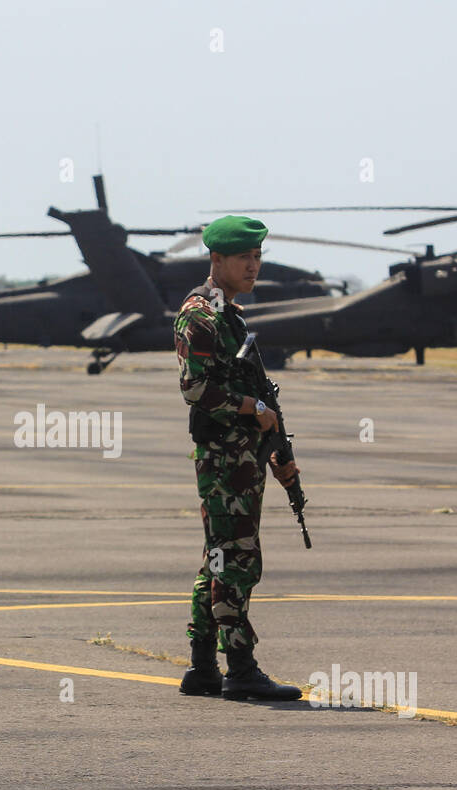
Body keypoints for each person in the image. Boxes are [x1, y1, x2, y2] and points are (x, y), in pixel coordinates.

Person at [173, 215, 303, 702]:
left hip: (242, 458)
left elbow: (243, 383)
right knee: (238, 563)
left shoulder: (231, 314)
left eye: (257, 257)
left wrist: (277, 452)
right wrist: (256, 410)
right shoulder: (200, 317)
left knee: (218, 560)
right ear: (217, 260)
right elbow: (198, 389)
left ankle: (203, 666)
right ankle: (241, 669)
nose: (253, 266)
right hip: (224, 462)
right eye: (244, 258)